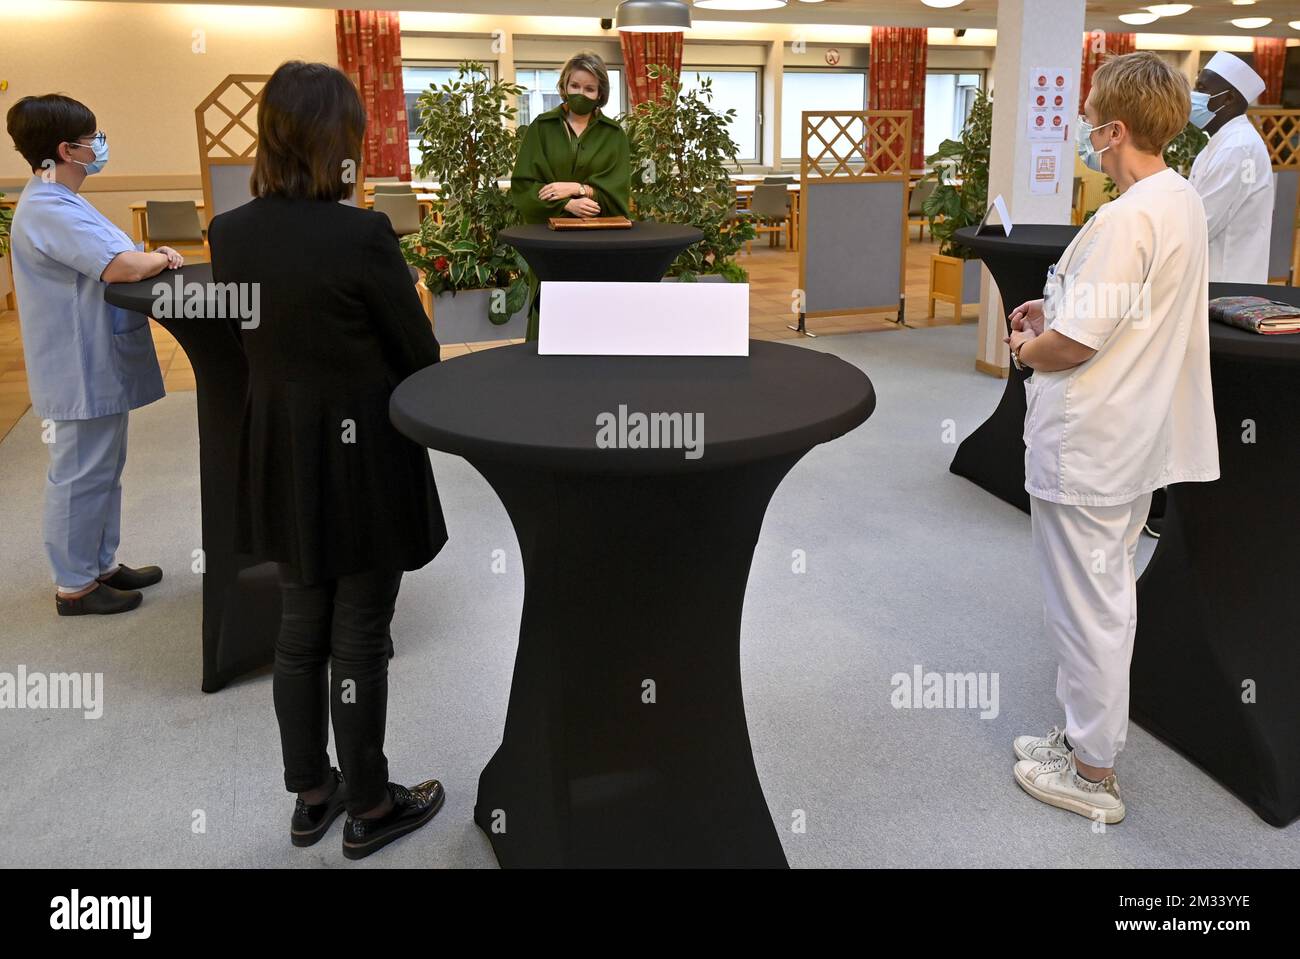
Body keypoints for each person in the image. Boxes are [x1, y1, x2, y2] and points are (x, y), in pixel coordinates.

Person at [208, 61, 447, 860]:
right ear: (337, 142)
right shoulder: (362, 235)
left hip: (278, 450)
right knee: (360, 632)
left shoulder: (230, 232)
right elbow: (419, 355)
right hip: (363, 457)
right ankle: (372, 802)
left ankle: (312, 792)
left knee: (299, 625)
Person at [1005, 52, 1219, 824]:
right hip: (1132, 436)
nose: (1083, 130)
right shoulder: (1175, 197)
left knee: (1087, 607)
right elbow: (1110, 309)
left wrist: (1030, 346)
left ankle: (1093, 773)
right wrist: (1049, 304)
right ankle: (1083, 740)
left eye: (1090, 116)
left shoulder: (1131, 215)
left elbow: (1076, 345)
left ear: (1116, 128)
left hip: (1090, 438)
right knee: (1105, 597)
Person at [5, 95, 179, 616]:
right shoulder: (46, 207)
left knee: (104, 467)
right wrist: (160, 257)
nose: (99, 145)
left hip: (97, 357)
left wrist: (147, 259)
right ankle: (75, 586)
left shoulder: (63, 199)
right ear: (67, 149)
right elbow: (120, 266)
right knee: (80, 472)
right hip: (77, 364)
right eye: (93, 138)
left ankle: (100, 563)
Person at [510, 50, 632, 339]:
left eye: (589, 88)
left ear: (600, 92)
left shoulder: (614, 134)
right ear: (564, 85)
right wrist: (568, 205)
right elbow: (524, 186)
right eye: (575, 86)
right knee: (549, 312)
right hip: (550, 240)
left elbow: (618, 193)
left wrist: (576, 188)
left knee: (595, 315)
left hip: (599, 242)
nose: (581, 93)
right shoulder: (540, 128)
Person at [1188, 51, 1274, 284]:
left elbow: (1199, 223)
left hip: (1225, 282)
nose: (1194, 96)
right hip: (1213, 280)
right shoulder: (1220, 143)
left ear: (1228, 99)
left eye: (1202, 89)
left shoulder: (1237, 148)